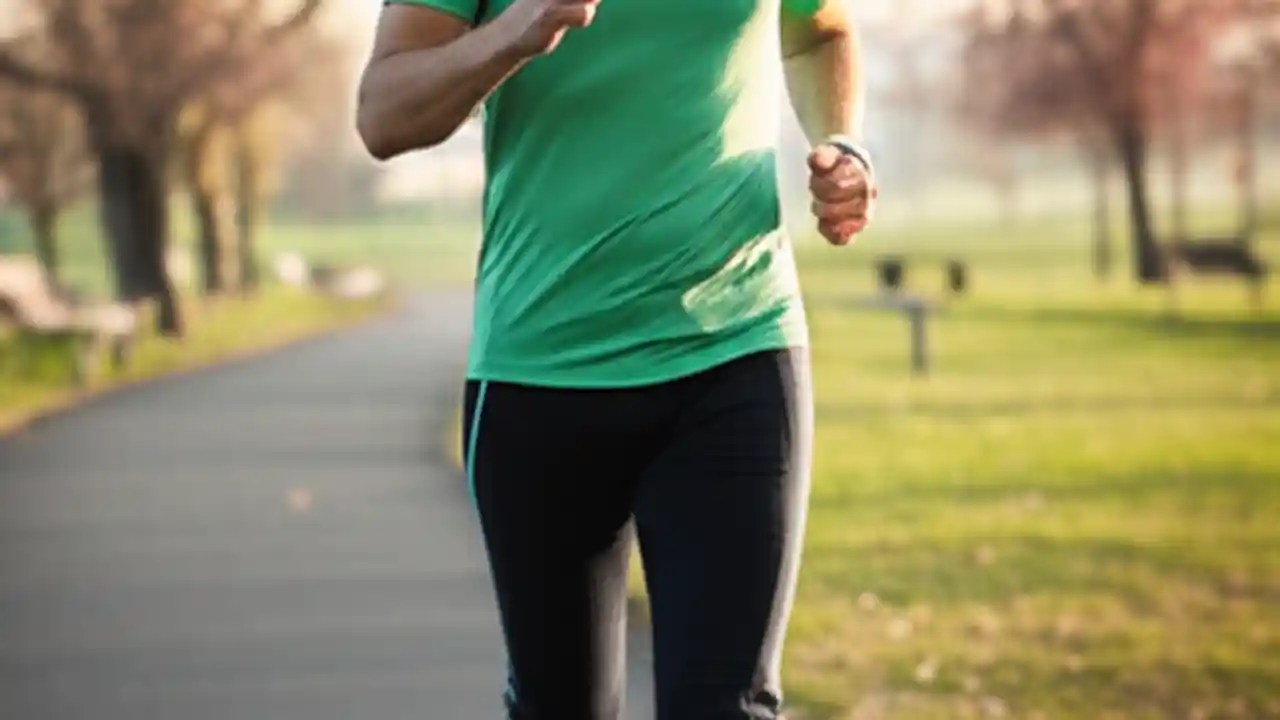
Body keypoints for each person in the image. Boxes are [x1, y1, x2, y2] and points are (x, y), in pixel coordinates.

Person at [356, 0, 876, 717]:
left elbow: (821, 31)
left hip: (735, 341)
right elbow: (383, 114)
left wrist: (844, 143)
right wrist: (517, 30)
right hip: (540, 367)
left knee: (730, 706)